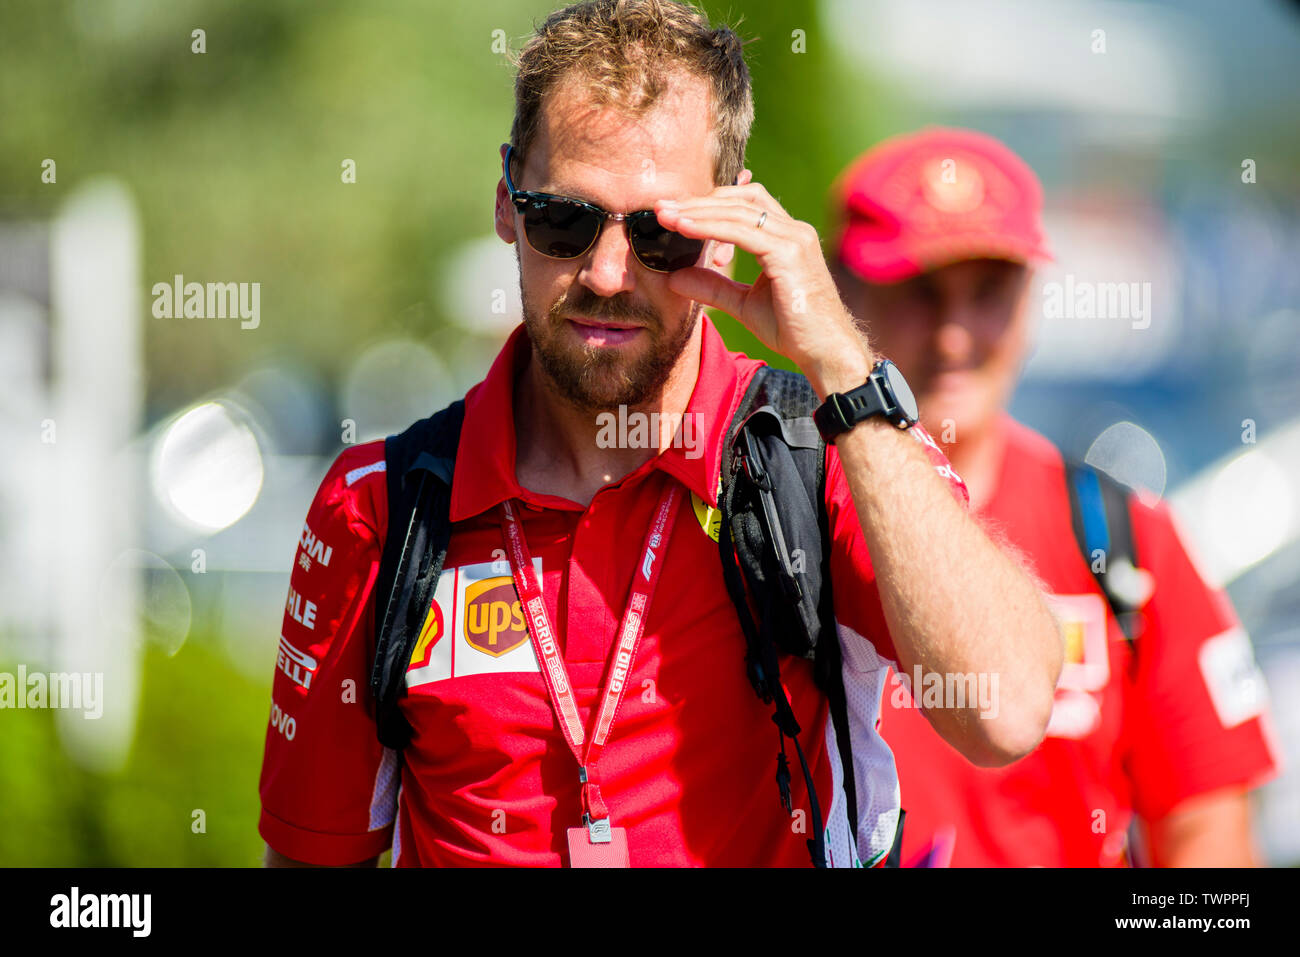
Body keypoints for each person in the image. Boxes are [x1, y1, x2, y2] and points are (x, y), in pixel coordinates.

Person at [257, 1, 1062, 868]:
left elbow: (1006, 712)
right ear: (505, 203)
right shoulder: (381, 507)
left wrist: (838, 359)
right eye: (564, 220)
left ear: (727, 228)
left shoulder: (817, 456)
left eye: (660, 232)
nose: (607, 274)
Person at [829, 126, 1282, 867]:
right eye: (918, 290)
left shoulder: (1120, 537)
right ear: (840, 291)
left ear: (1032, 300)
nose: (954, 335)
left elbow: (1210, 846)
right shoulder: (766, 513)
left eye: (989, 292)